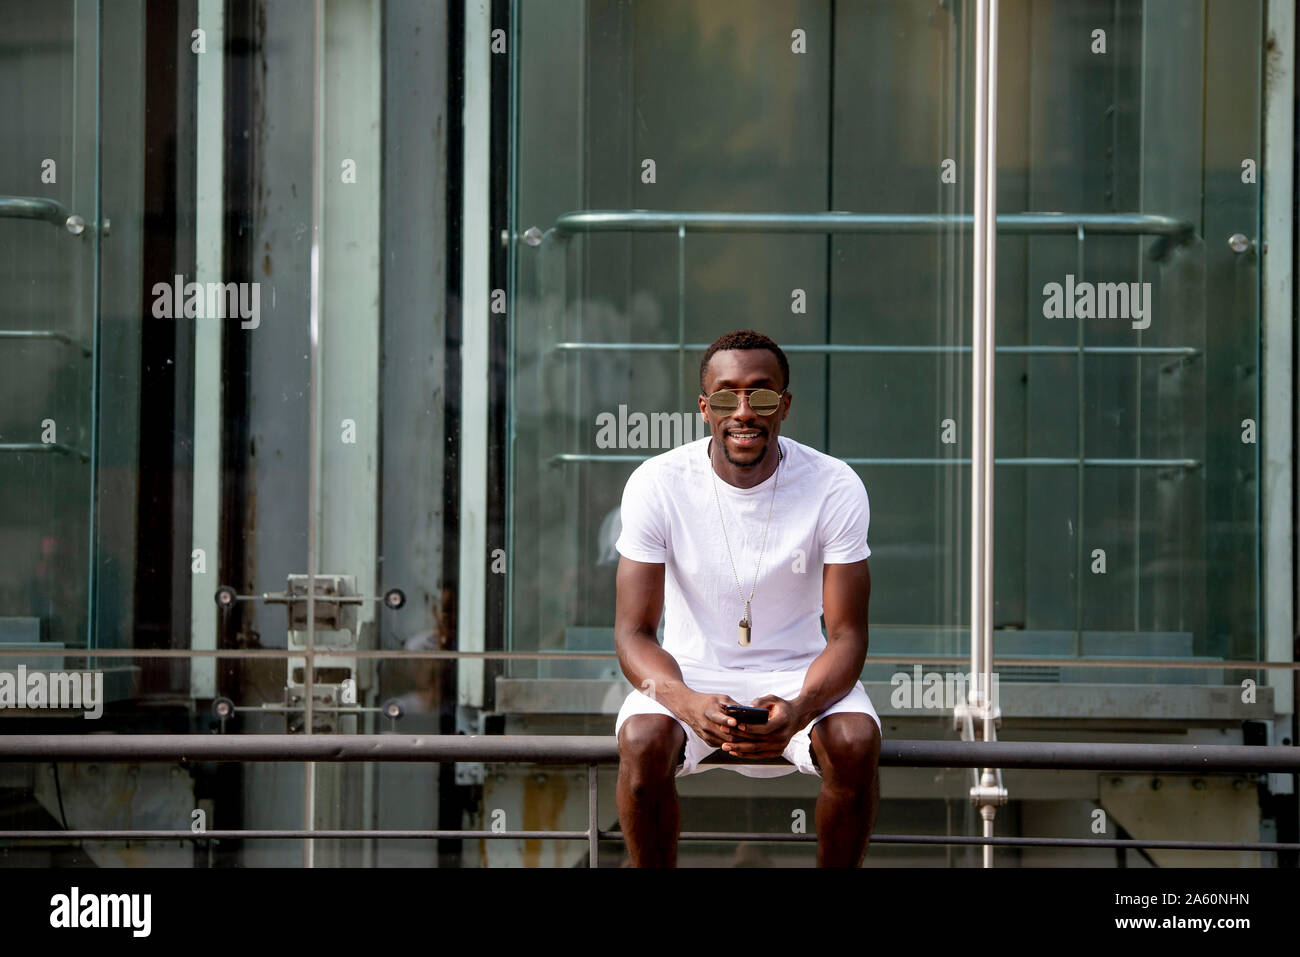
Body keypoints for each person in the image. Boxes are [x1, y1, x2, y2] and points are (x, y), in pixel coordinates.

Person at [613, 328, 881, 867]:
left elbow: (848, 633)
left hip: (801, 674)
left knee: (854, 743)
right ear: (704, 407)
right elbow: (633, 632)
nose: (744, 412)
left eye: (760, 395)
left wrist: (802, 707)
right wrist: (687, 702)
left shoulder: (834, 484)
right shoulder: (657, 483)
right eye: (725, 396)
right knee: (643, 743)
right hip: (687, 673)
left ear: (783, 405)